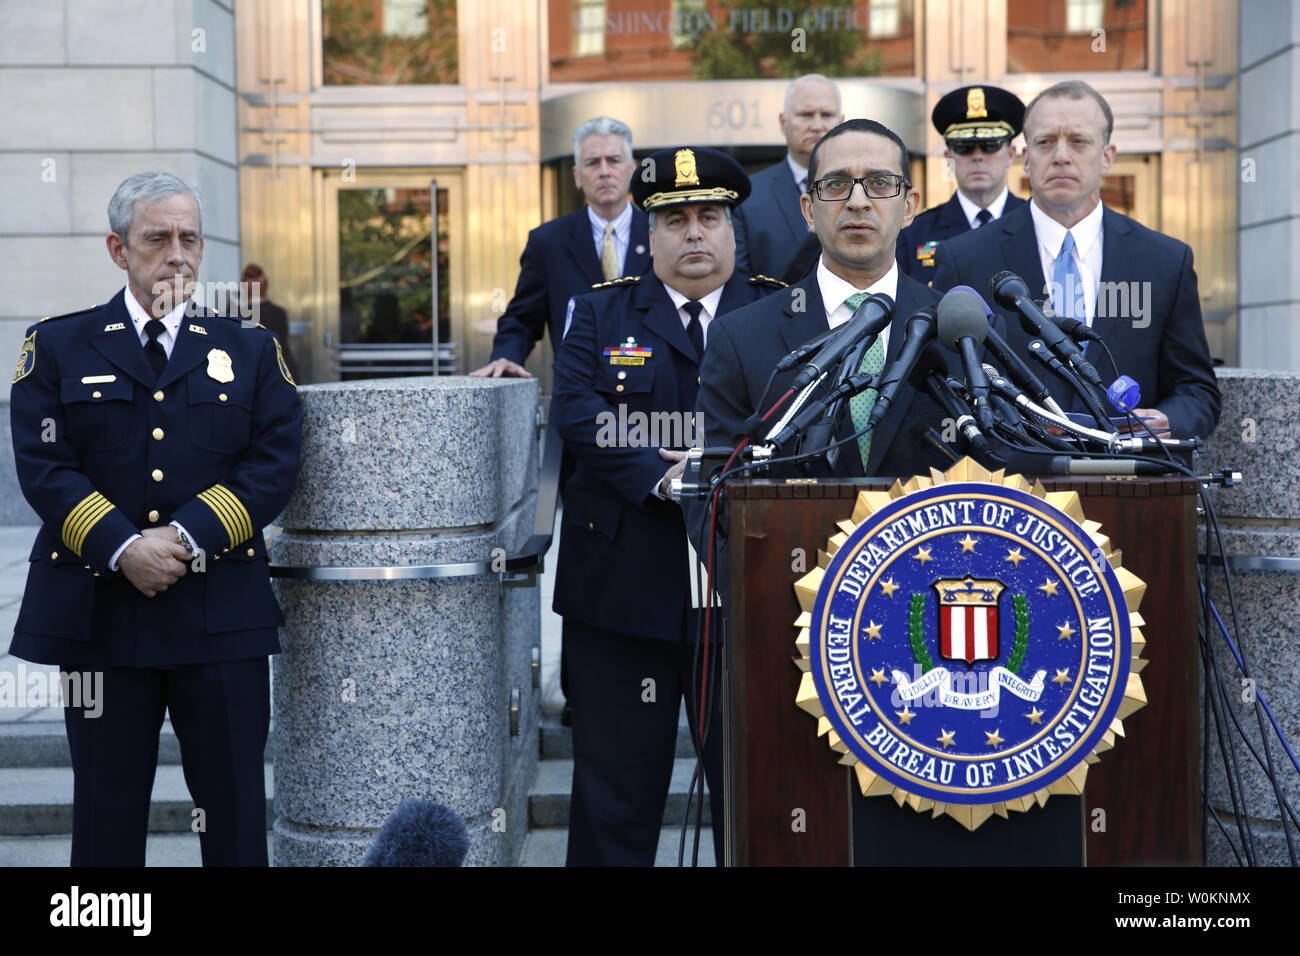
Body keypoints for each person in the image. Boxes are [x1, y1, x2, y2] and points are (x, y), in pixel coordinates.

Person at [7, 172, 303, 866]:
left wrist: (183, 536)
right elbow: (45, 465)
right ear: (119, 249)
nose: (177, 255)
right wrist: (122, 546)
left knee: (232, 816)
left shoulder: (251, 349)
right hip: (101, 616)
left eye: (189, 239)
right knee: (106, 821)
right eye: (157, 238)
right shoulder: (58, 346)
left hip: (220, 614)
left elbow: (273, 463)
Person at [551, 146, 784, 866]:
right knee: (614, 801)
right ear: (647, 233)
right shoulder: (598, 313)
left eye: (709, 217)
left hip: (748, 592)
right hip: (622, 598)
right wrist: (663, 475)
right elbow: (577, 410)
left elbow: (803, 414)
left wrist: (723, 466)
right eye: (674, 218)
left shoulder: (782, 310)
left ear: (733, 231)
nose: (693, 233)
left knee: (759, 798)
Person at [932, 80, 1220, 440]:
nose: (1061, 156)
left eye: (1079, 141)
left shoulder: (1164, 260)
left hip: (1130, 482)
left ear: (1107, 156)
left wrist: (1165, 420)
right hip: (1013, 482)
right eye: (1045, 142)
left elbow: (1196, 391)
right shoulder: (965, 258)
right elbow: (943, 384)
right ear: (1025, 159)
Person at [698, 118, 954, 482]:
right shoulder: (739, 339)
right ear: (808, 210)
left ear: (910, 207)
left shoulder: (961, 333)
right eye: (836, 184)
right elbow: (715, 492)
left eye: (880, 183)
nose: (858, 202)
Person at [470, 116, 650, 379]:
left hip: (652, 406)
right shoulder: (548, 242)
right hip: (578, 401)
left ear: (632, 169)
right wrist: (505, 357)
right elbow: (522, 319)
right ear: (577, 176)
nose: (604, 171)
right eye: (592, 162)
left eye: (614, 160)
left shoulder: (661, 234)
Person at [896, 85, 1028, 279]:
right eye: (964, 147)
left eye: (989, 146)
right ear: (948, 157)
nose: (977, 157)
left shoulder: (1033, 224)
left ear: (1010, 154)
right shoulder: (914, 234)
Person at [732, 74, 843, 282]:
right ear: (783, 122)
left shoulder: (867, 193)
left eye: (827, 114)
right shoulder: (747, 197)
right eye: (806, 115)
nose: (817, 125)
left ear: (842, 122)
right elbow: (738, 288)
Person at [241, 262, 299, 382]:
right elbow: (284, 350)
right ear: (266, 286)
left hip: (248, 376)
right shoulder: (279, 313)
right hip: (279, 374)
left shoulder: (235, 315)